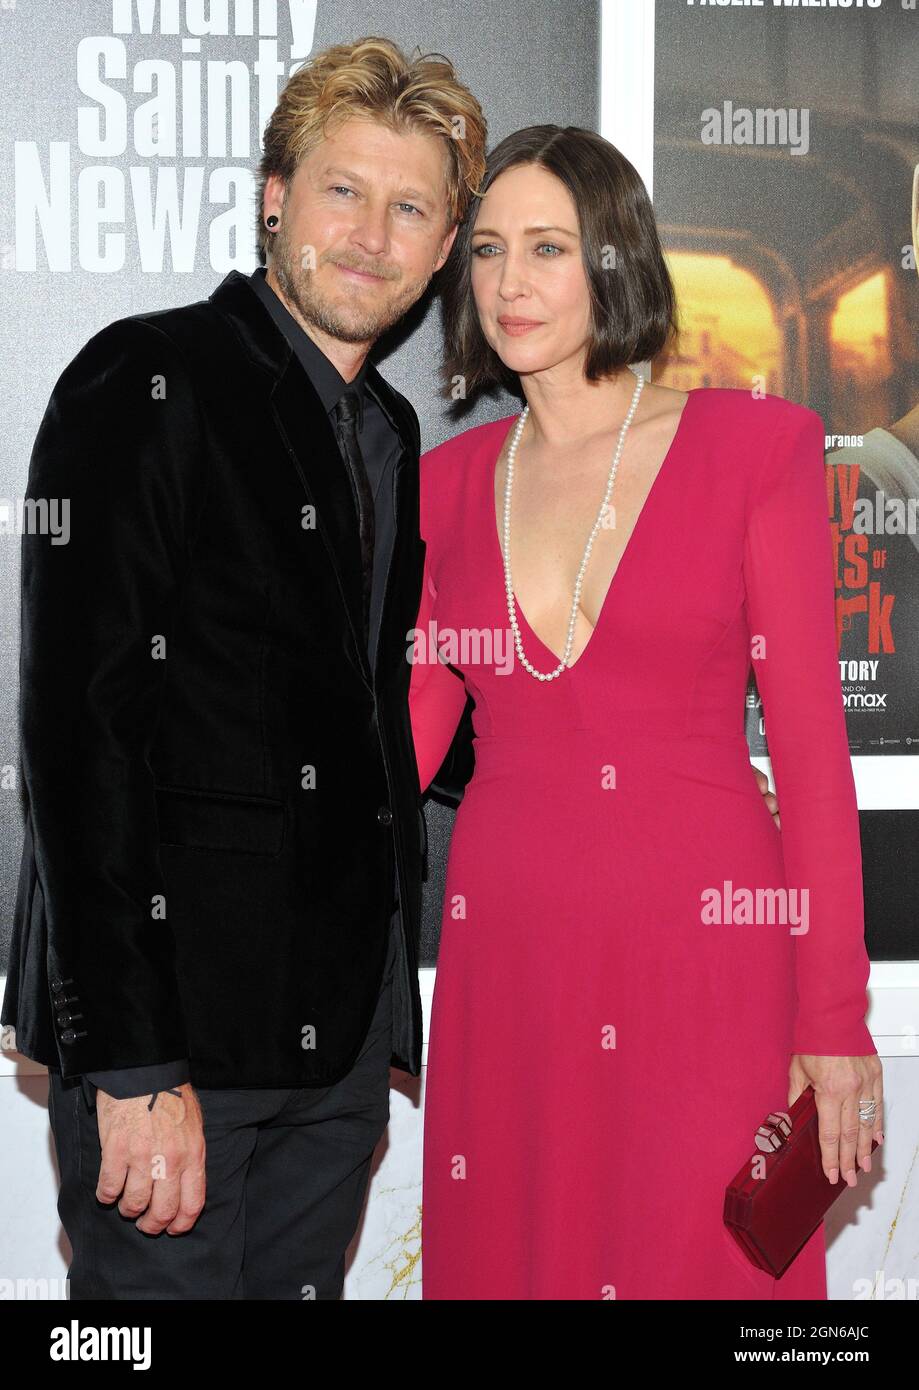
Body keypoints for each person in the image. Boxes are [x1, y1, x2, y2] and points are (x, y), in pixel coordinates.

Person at [1, 36, 485, 1301]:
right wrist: (132, 1061)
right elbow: (76, 737)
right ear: (273, 196)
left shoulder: (384, 432)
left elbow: (355, 705)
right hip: (181, 1040)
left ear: (443, 250)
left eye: (411, 207)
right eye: (343, 191)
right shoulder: (145, 377)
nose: (372, 234)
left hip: (332, 1047)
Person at [408, 125, 884, 1299]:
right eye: (485, 252)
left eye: (549, 247)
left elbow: (815, 759)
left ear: (613, 260)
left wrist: (832, 1015)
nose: (510, 283)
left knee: (700, 1263)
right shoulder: (443, 491)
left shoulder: (753, 448)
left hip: (706, 956)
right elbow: (390, 759)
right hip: (509, 965)